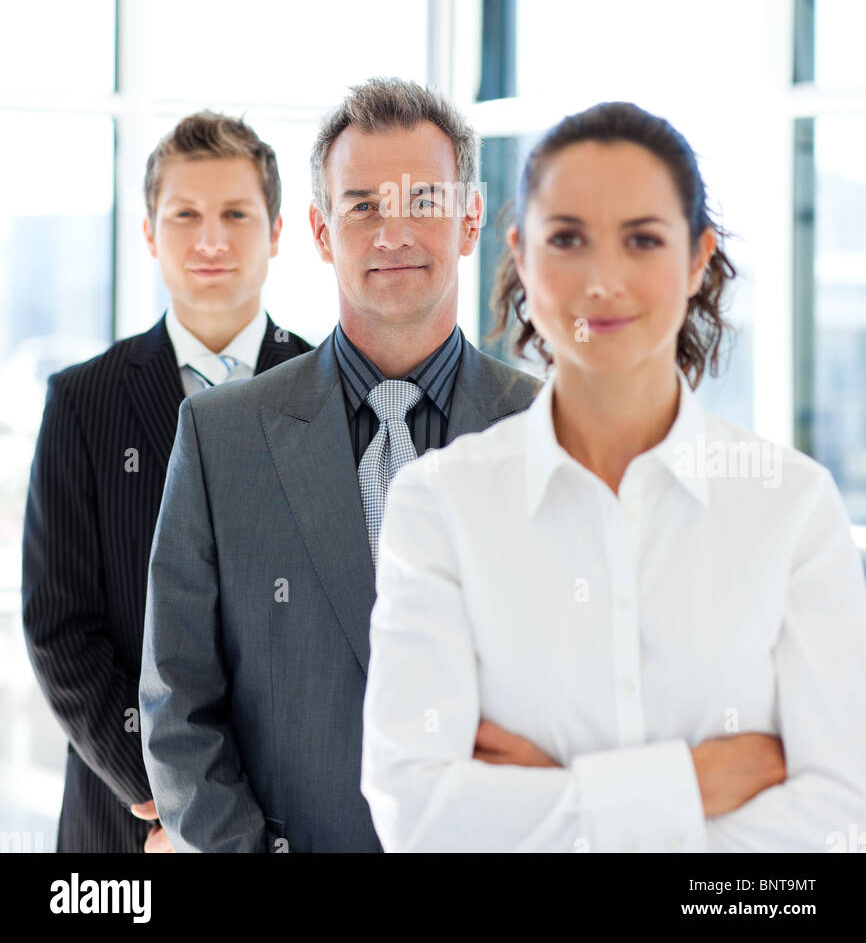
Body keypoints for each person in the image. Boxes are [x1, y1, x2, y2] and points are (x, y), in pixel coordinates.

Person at [361, 100, 866, 852]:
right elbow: (418, 817)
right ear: (522, 258)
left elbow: (837, 826)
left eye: (642, 240)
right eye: (567, 239)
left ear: (699, 258)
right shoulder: (442, 506)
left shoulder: (790, 509)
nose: (603, 280)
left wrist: (557, 798)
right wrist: (691, 788)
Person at [138, 77, 540, 853]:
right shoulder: (222, 437)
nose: (394, 234)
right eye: (363, 206)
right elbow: (177, 705)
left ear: (470, 219)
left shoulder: (547, 434)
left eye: (424, 201)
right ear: (322, 232)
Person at [22, 111, 311, 853]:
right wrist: (166, 798)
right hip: (125, 818)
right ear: (150, 233)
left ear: (277, 232)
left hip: (291, 811)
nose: (210, 239)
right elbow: (60, 623)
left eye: (236, 215)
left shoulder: (331, 394)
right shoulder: (83, 402)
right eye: (184, 215)